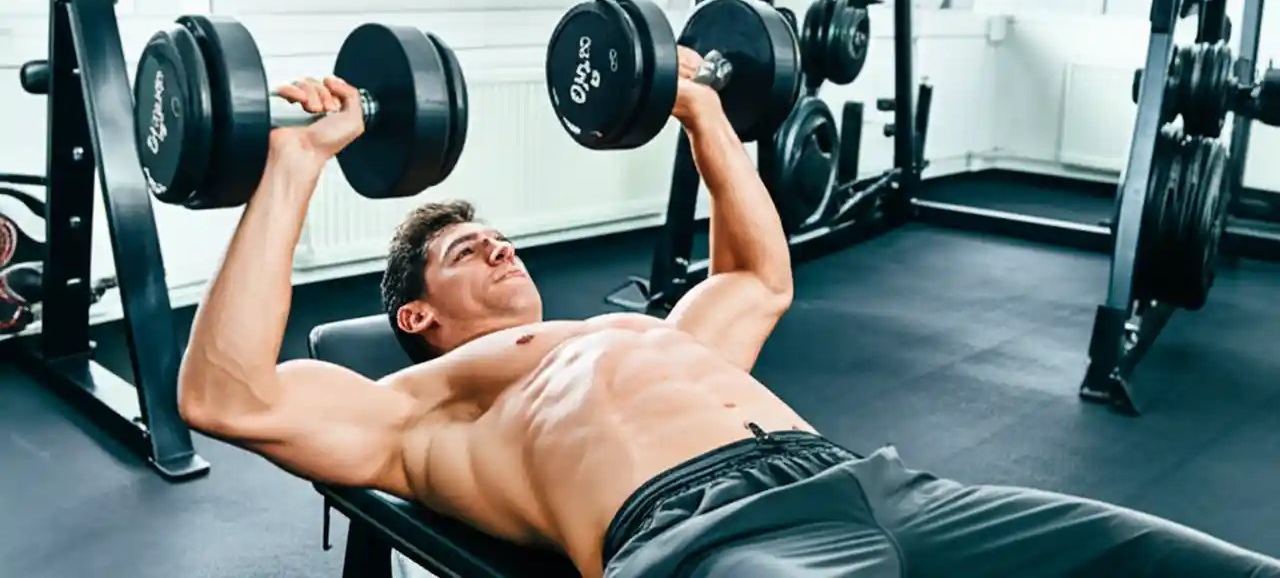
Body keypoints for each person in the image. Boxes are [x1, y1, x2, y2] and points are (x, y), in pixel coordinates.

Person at [177, 52, 1280, 578]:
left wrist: (701, 109)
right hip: (708, 538)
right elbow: (228, 396)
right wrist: (292, 165)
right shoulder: (419, 409)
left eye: (498, 235)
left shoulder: (643, 334)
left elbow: (758, 278)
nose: (501, 247)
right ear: (414, 317)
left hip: (886, 487)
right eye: (468, 252)